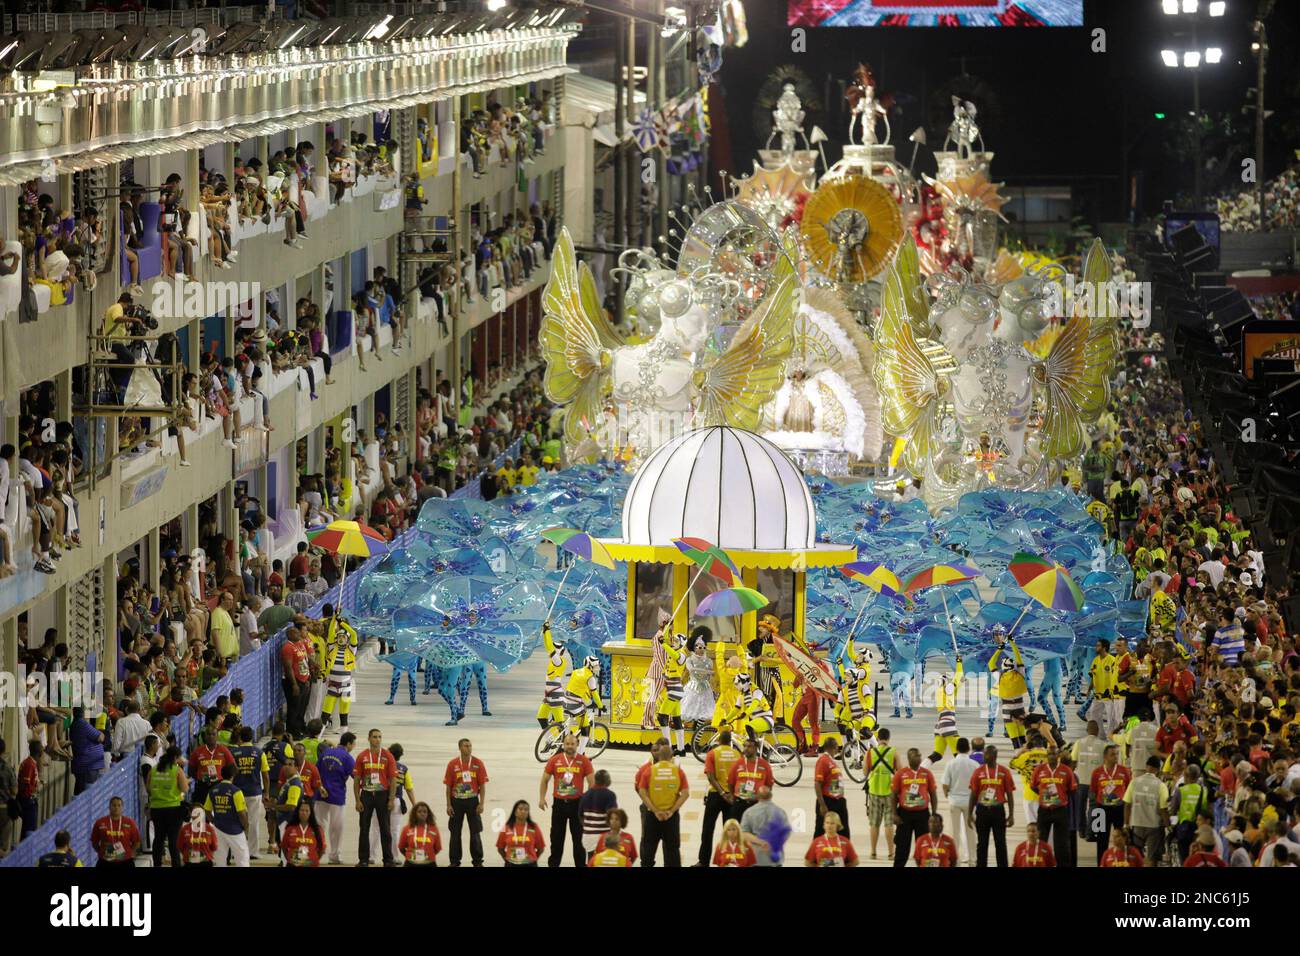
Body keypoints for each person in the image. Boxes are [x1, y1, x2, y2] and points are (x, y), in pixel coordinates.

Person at [539, 733, 594, 867]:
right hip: (559, 805)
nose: (570, 746)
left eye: (572, 744)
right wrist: (542, 798)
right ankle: (553, 865)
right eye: (567, 744)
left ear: (577, 745)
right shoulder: (554, 760)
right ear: (563, 745)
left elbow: (592, 782)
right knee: (556, 839)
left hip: (577, 805)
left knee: (578, 839)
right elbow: (544, 780)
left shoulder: (584, 761)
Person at [635, 738, 689, 867]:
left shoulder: (649, 771)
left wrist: (655, 810)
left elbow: (641, 791)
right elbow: (685, 794)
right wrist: (671, 811)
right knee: (672, 851)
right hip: (671, 817)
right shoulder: (678, 771)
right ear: (671, 756)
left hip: (652, 816)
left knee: (648, 851)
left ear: (658, 755)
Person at [352, 727, 399, 867]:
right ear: (369, 738)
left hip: (382, 795)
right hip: (366, 794)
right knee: (364, 828)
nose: (377, 739)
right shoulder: (362, 756)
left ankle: (388, 860)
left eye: (379, 737)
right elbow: (356, 780)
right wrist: (357, 800)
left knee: (385, 828)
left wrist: (391, 799)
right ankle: (363, 860)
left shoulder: (388, 756)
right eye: (374, 737)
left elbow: (393, 780)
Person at [1030, 742, 1077, 866]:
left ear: (1058, 755)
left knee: (1061, 844)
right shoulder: (1039, 769)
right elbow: (1033, 786)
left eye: (1054, 754)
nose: (1051, 756)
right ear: (1046, 755)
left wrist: (1060, 796)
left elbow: (1072, 789)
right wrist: (1044, 796)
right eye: (1049, 754)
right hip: (1044, 810)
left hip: (1060, 810)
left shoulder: (1066, 770)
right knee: (1041, 842)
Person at [968, 744, 1015, 867]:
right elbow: (973, 794)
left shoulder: (1004, 772)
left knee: (1000, 843)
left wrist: (1011, 815)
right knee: (982, 843)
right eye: (985, 754)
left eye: (988, 754)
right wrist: (969, 814)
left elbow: (1009, 794)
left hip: (998, 811)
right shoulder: (978, 772)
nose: (985, 756)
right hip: (982, 810)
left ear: (995, 756)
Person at [444, 737, 488, 867]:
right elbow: (448, 786)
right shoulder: (452, 764)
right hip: (456, 801)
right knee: (455, 833)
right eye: (465, 746)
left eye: (470, 746)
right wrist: (448, 804)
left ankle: (478, 861)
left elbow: (483, 785)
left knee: (475, 833)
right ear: (460, 748)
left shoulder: (478, 763)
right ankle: (454, 861)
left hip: (473, 802)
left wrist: (481, 803)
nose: (468, 748)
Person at [890, 747, 938, 868]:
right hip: (904, 814)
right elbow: (893, 795)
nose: (917, 757)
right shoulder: (901, 774)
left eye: (919, 755)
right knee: (902, 847)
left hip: (922, 815)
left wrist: (934, 814)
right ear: (909, 758)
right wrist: (894, 814)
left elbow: (933, 794)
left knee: (924, 847)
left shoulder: (927, 773)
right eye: (914, 755)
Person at [316, 731, 356, 864]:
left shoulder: (325, 753)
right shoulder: (347, 757)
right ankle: (334, 855)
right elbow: (356, 776)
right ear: (349, 744)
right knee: (336, 827)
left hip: (321, 793)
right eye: (353, 744)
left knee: (319, 824)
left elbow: (316, 772)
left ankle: (316, 852)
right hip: (337, 795)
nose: (353, 747)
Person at [1089, 743, 1132, 867]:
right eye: (1112, 754)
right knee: (1101, 840)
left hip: (1120, 809)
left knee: (1122, 839)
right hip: (1102, 810)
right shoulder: (1097, 772)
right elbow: (1093, 792)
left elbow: (1129, 789)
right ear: (1105, 757)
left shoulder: (1124, 771)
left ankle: (1122, 863)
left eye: (1117, 754)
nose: (1116, 757)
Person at [1124, 756, 1170, 866]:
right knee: (1152, 859)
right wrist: (1168, 825)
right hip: (1154, 827)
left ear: (1146, 767)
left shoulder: (1134, 782)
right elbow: (1163, 808)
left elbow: (1127, 804)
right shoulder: (1161, 785)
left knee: (1135, 857)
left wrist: (1126, 824)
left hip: (1136, 825)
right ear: (1158, 769)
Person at [148, 745, 189, 867]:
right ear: (176, 757)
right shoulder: (177, 770)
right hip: (173, 809)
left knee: (158, 839)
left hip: (156, 808)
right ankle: (176, 864)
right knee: (173, 840)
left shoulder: (154, 769)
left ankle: (157, 864)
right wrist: (187, 782)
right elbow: (184, 788)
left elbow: (148, 788)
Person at [941, 736, 979, 864]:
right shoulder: (974, 764)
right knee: (971, 831)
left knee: (955, 831)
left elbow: (945, 784)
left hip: (955, 801)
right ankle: (973, 858)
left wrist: (948, 795)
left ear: (956, 749)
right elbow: (978, 785)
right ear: (969, 749)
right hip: (970, 801)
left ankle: (954, 858)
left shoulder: (951, 763)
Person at [204, 763, 250, 867]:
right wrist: (246, 826)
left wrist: (213, 821)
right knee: (242, 859)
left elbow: (207, 810)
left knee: (220, 859)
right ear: (233, 776)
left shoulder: (213, 790)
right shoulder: (236, 791)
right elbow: (241, 813)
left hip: (218, 829)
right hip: (235, 830)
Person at [865, 726, 897, 859]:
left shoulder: (870, 753)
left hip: (874, 791)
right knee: (889, 824)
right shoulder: (894, 752)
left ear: (877, 738)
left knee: (874, 823)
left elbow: (865, 772)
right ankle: (891, 853)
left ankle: (873, 852)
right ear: (888, 739)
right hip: (889, 792)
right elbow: (899, 771)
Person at [740, 784, 789, 867]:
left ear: (757, 796)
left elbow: (744, 833)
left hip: (756, 858)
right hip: (775, 858)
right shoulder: (780, 812)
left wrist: (761, 842)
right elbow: (785, 833)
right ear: (771, 796)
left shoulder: (749, 812)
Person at [727, 735, 774, 821]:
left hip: (757, 803)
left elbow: (769, 785)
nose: (746, 748)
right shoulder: (738, 763)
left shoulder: (764, 765)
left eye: (749, 746)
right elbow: (730, 783)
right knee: (738, 831)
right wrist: (735, 796)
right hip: (739, 803)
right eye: (745, 746)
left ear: (756, 748)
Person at [90, 795, 142, 867]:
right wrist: (101, 851)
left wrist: (130, 853)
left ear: (122, 808)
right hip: (105, 861)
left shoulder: (130, 822)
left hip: (125, 861)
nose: (116, 807)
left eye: (119, 805)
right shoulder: (100, 822)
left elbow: (137, 842)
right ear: (109, 807)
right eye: (114, 805)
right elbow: (94, 842)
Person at [578, 769, 619, 859]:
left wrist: (589, 827)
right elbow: (613, 816)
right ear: (606, 780)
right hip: (603, 837)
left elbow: (580, 816)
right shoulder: (610, 795)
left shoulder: (585, 795)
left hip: (587, 837)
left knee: (591, 860)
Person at [813, 738, 849, 838]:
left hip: (838, 800)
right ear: (834, 747)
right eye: (837, 747)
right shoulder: (823, 761)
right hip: (828, 801)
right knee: (820, 831)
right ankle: (815, 851)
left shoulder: (831, 761)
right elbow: (817, 783)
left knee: (843, 831)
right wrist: (822, 805)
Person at [497, 799, 545, 866]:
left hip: (530, 864)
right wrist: (508, 860)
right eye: (520, 809)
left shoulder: (534, 827)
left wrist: (532, 859)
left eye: (526, 810)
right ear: (515, 812)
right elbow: (500, 848)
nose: (523, 811)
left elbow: (541, 848)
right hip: (511, 864)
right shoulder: (506, 827)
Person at [281, 799, 325, 868]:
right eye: (302, 810)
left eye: (307, 811)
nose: (304, 813)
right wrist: (290, 859)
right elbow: (284, 846)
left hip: (311, 864)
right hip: (293, 864)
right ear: (298, 812)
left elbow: (322, 848)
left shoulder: (317, 829)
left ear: (311, 813)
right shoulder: (290, 828)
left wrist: (314, 859)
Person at [398, 802, 442, 867]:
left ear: (428, 814)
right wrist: (410, 855)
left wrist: (428, 855)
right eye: (419, 812)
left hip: (429, 863)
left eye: (425, 812)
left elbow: (437, 848)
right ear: (415, 814)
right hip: (411, 863)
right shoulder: (406, 829)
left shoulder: (434, 829)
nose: (422, 814)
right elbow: (401, 847)